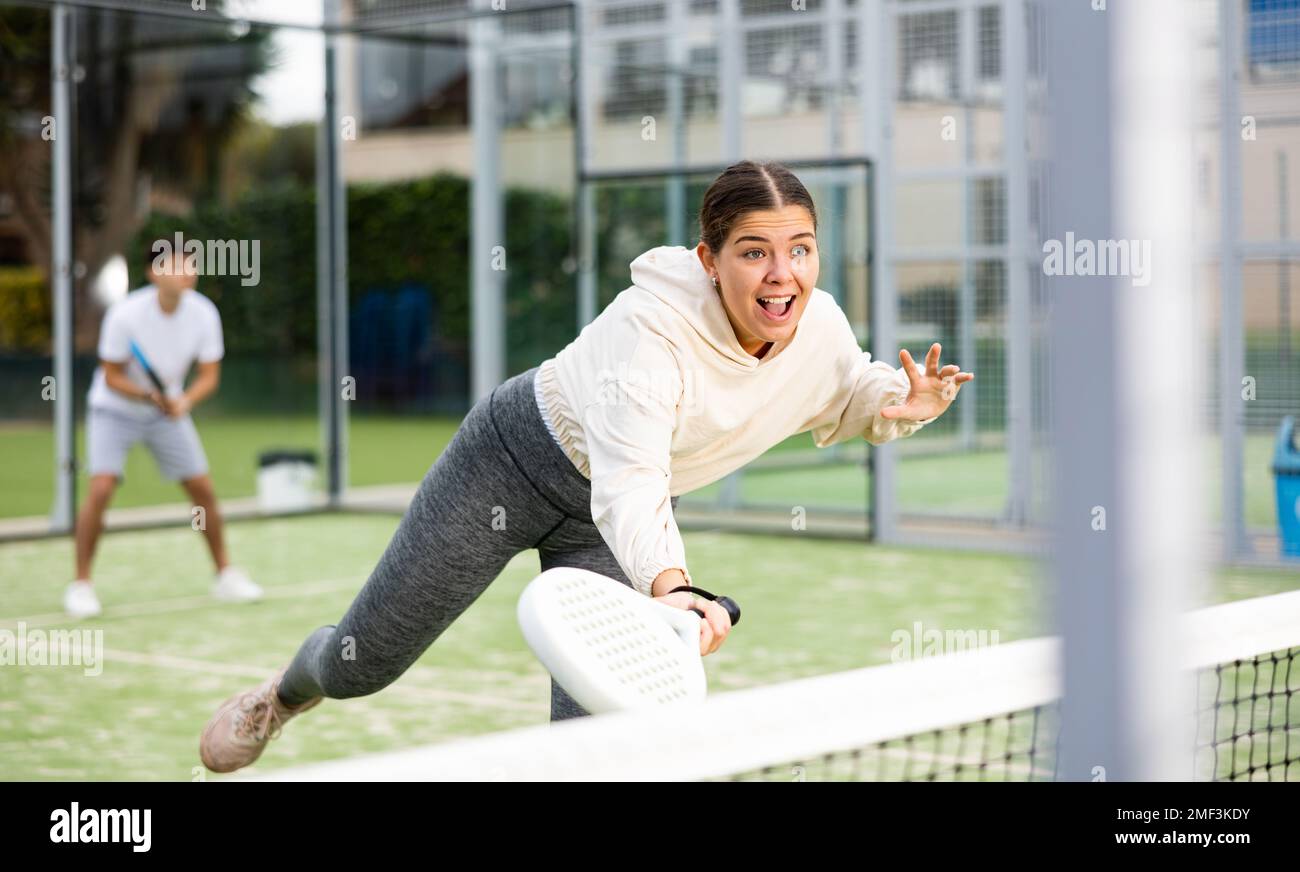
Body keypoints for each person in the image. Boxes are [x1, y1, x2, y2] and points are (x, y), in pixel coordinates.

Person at [198, 159, 973, 773]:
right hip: (511, 460)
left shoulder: (821, 324)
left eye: (799, 250)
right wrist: (673, 589)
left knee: (595, 744)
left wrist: (902, 400)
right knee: (363, 663)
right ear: (709, 259)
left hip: (606, 529)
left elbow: (848, 387)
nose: (782, 274)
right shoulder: (651, 331)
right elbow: (631, 479)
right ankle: (281, 696)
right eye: (754, 252)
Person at [64, 242, 263, 619]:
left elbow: (209, 377)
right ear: (154, 274)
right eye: (175, 265)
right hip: (114, 408)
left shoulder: (204, 314)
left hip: (168, 412)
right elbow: (111, 375)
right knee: (102, 486)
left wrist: (183, 401)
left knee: (201, 489)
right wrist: (146, 394)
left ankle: (225, 574)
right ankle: (81, 585)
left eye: (190, 264)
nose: (186, 270)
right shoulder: (125, 316)